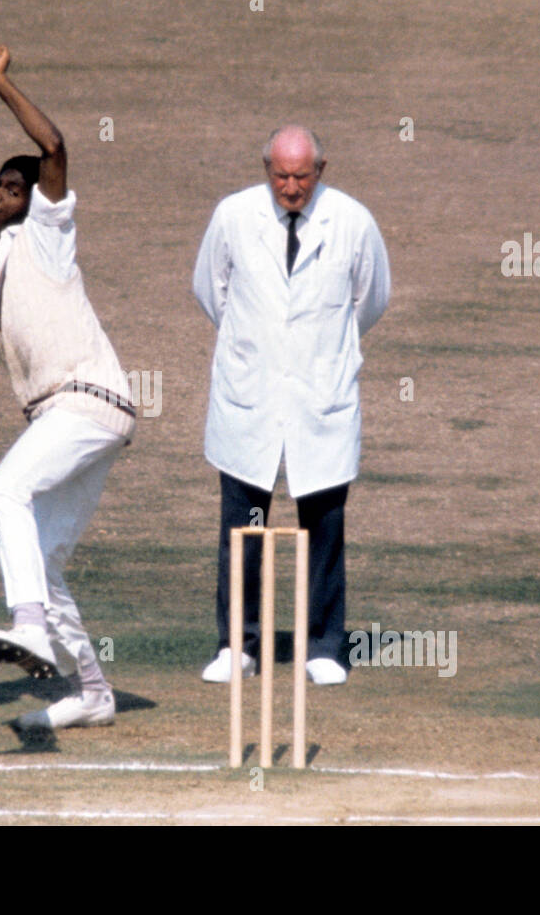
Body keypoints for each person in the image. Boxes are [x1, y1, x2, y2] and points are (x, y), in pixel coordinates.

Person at [0, 44, 136, 729]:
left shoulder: (44, 234)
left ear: (32, 204)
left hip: (88, 398)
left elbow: (52, 143)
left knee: (1, 491)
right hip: (66, 419)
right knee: (47, 567)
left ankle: (26, 625)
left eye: (12, 187)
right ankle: (94, 694)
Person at [192, 125, 390, 686]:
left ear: (320, 171)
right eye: (280, 175)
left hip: (319, 398)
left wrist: (319, 353)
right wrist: (258, 347)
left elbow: (370, 300)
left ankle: (325, 644)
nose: (291, 187)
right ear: (266, 169)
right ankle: (238, 644)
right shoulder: (232, 215)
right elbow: (212, 292)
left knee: (323, 525)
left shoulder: (352, 221)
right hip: (249, 397)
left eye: (302, 176)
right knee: (243, 524)